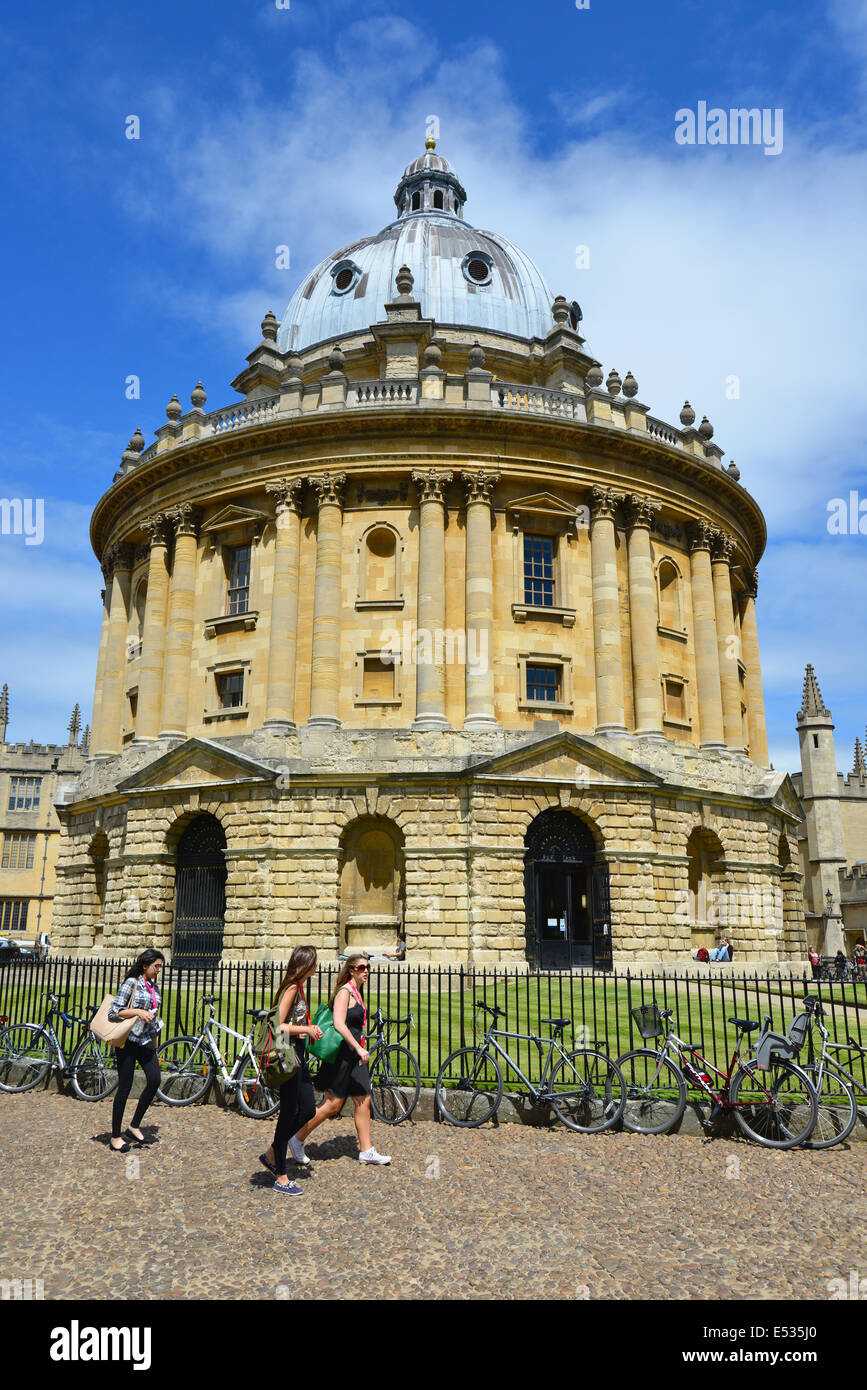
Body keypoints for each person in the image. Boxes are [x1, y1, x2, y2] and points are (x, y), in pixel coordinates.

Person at [291, 954, 391, 1166]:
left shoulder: (358, 991)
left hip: (355, 1057)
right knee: (332, 1105)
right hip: (343, 1056)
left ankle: (366, 1150)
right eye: (362, 967)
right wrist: (358, 1047)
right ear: (352, 970)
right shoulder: (344, 992)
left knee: (363, 1099)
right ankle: (296, 1138)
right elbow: (338, 1024)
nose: (366, 971)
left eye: (368, 967)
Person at [258, 945, 323, 1197]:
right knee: (288, 1113)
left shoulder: (299, 987)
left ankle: (273, 1152)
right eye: (314, 962)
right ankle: (281, 1175)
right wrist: (306, 1030)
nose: (317, 967)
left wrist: (309, 1031)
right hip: (288, 1058)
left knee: (307, 1109)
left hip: (298, 1055)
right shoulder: (293, 988)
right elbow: (279, 1027)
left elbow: (294, 1024)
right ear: (306, 964)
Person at [108, 948, 164, 1152]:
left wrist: (155, 1047)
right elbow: (113, 1012)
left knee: (155, 1079)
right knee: (125, 1086)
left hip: (145, 1040)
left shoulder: (154, 988)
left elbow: (154, 1019)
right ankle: (115, 1137)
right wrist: (138, 1012)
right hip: (128, 1041)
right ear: (145, 965)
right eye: (156, 966)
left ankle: (133, 1126)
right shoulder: (131, 983)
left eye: (160, 967)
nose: (159, 970)